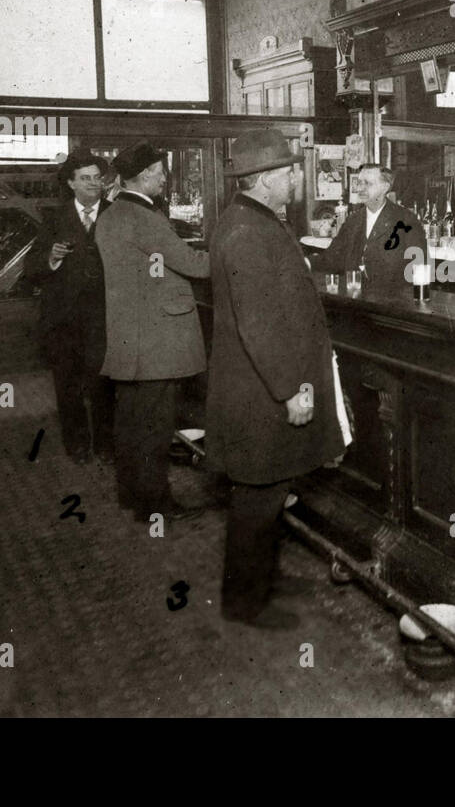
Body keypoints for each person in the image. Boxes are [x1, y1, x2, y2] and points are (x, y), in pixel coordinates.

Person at [207, 128, 348, 630]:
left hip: (255, 386)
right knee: (258, 495)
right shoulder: (250, 233)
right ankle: (246, 602)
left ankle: (262, 579)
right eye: (289, 170)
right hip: (262, 391)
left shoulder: (253, 221)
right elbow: (259, 324)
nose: (296, 177)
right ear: (265, 180)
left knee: (269, 488)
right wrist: (291, 389)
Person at [96, 142, 210, 520]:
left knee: (130, 423)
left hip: (131, 335)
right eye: (160, 172)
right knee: (155, 427)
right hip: (157, 338)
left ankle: (133, 496)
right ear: (143, 175)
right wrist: (233, 253)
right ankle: (156, 505)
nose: (164, 178)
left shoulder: (112, 214)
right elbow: (191, 264)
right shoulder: (144, 216)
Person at [25, 150, 115, 465]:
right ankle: (77, 445)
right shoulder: (55, 218)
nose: (94, 184)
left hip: (105, 320)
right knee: (68, 387)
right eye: (86, 178)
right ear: (71, 183)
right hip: (63, 321)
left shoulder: (116, 214)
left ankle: (105, 444)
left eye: (97, 178)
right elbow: (31, 269)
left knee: (104, 385)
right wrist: (52, 257)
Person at [308, 164, 425, 299]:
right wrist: (307, 262)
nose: (360, 188)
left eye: (368, 183)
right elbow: (332, 257)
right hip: (357, 301)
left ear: (385, 188)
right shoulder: (353, 220)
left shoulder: (405, 220)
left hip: (392, 304)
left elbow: (418, 267)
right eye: (359, 183)